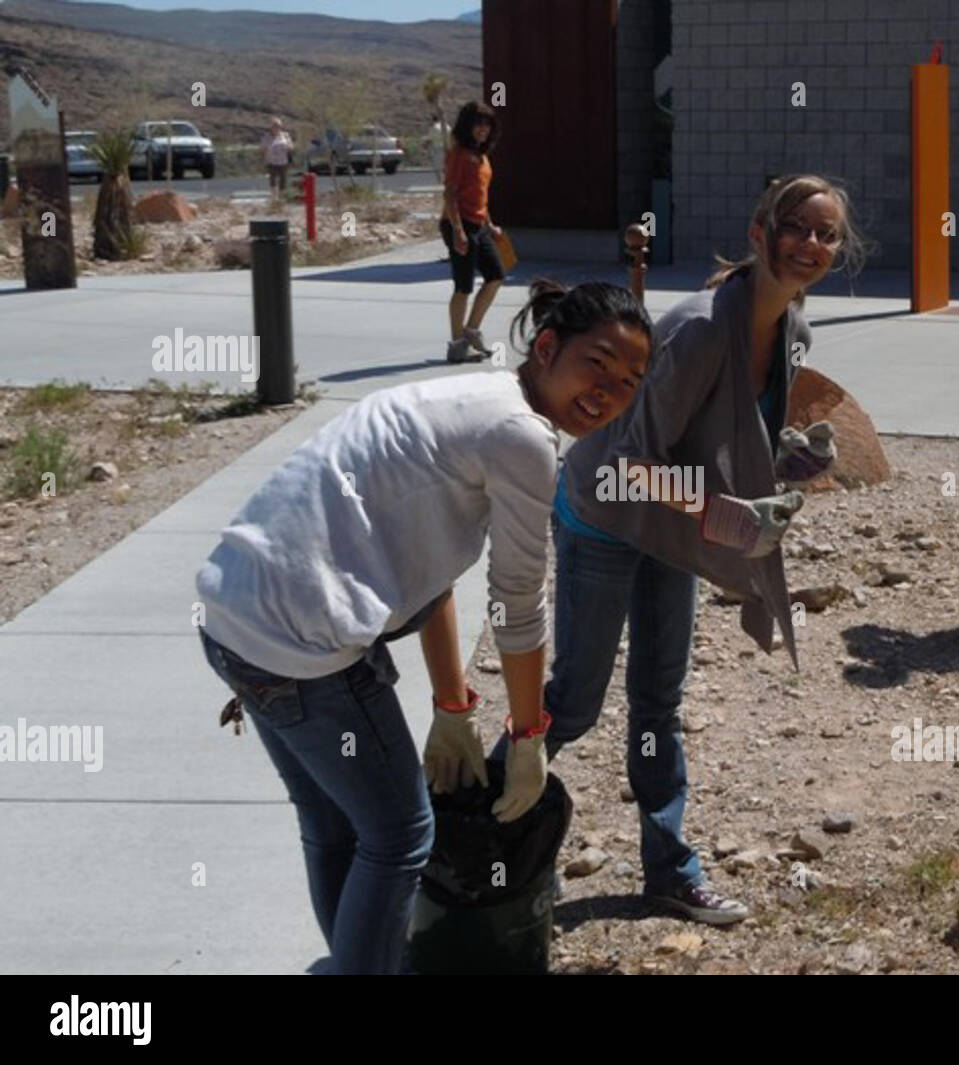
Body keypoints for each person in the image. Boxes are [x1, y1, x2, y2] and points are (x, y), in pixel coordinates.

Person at [195, 280, 651, 973]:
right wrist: (527, 735)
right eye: (598, 363)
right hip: (302, 646)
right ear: (549, 348)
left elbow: (428, 567)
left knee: (334, 823)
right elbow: (516, 603)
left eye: (629, 380)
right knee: (401, 834)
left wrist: (453, 705)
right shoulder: (522, 435)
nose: (609, 390)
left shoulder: (468, 396)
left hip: (234, 620)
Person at [482, 175, 866, 925]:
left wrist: (789, 455)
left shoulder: (791, 329)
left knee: (660, 700)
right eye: (798, 227)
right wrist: (719, 509)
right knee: (575, 701)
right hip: (608, 513)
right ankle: (487, 833)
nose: (812, 245)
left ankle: (669, 866)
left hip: (672, 519)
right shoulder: (697, 329)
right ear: (760, 232)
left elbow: (724, 429)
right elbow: (629, 456)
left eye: (827, 235)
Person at [440, 101, 505, 364]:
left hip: (479, 226)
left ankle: (471, 331)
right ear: (467, 126)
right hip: (459, 225)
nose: (483, 129)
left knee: (495, 276)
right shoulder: (459, 154)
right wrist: (458, 231)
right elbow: (450, 194)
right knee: (463, 286)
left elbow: (481, 197)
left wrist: (490, 224)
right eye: (478, 123)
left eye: (487, 124)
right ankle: (457, 347)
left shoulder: (483, 156)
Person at [261, 117, 293, 198]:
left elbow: (290, 147)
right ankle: (274, 198)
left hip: (283, 161)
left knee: (283, 181)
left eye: (278, 125)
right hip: (272, 161)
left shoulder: (285, 135)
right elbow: (263, 148)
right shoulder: (267, 136)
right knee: (273, 180)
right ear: (271, 127)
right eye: (274, 125)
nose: (276, 127)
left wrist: (288, 148)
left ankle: (281, 198)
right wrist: (264, 159)